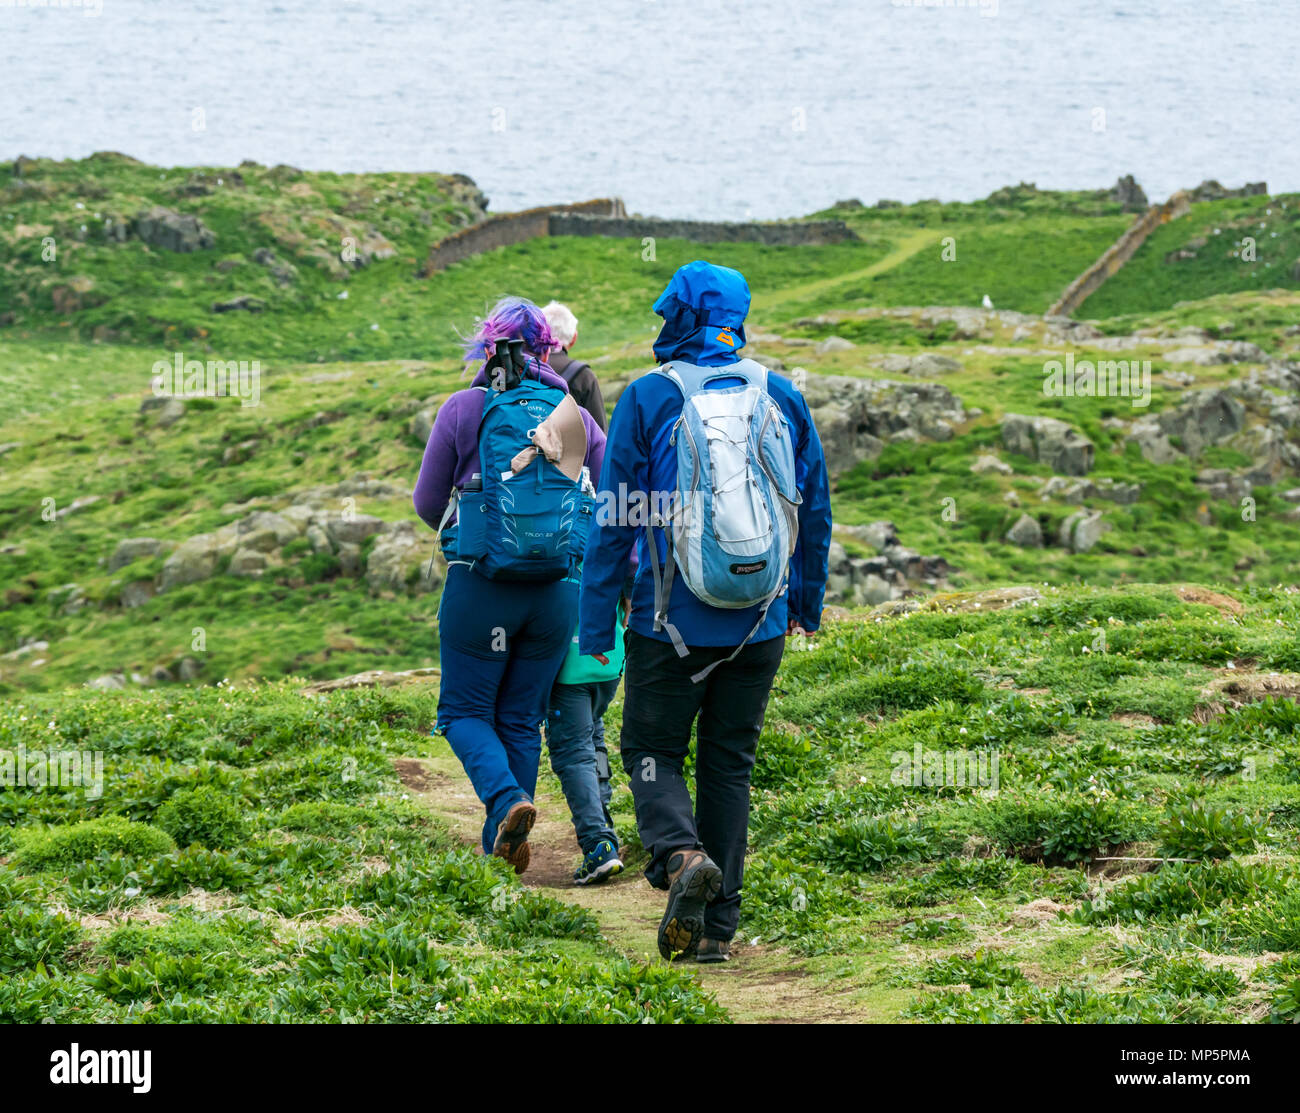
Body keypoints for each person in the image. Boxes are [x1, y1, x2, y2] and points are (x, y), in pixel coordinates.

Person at [577, 260, 831, 962]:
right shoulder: (779, 391)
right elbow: (813, 511)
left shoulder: (649, 397)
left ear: (680, 316)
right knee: (729, 764)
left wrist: (597, 625)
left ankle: (682, 857)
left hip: (669, 624)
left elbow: (614, 520)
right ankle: (718, 931)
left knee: (651, 750)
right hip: (761, 620)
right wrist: (804, 602)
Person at [413, 297, 606, 875]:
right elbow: (605, 485)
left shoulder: (462, 408)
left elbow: (427, 504)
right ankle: (503, 848)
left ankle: (506, 804)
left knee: (464, 712)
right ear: (550, 348)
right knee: (522, 718)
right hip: (556, 591)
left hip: (482, 584)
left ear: (486, 346)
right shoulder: (573, 411)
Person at [544, 597, 628, 884]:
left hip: (571, 665)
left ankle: (597, 845)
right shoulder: (611, 551)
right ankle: (605, 831)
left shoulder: (562, 550)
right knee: (594, 740)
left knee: (574, 753)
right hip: (610, 659)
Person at [542, 301, 607, 432]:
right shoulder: (583, 376)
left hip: (524, 452)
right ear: (574, 338)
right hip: (572, 452)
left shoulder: (523, 369)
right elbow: (600, 432)